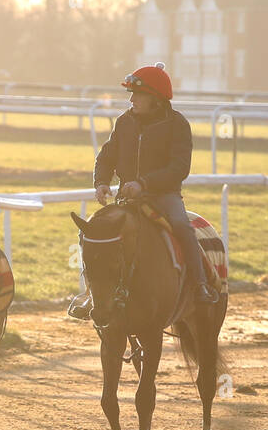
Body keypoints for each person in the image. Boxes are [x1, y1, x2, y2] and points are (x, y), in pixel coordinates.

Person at [68, 61, 217, 319]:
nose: (133, 100)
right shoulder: (125, 122)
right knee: (91, 232)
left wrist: (144, 183)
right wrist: (101, 182)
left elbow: (179, 167)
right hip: (126, 199)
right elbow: (106, 156)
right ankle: (92, 294)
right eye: (132, 95)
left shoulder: (177, 125)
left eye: (138, 95)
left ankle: (200, 284)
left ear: (155, 99)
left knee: (182, 226)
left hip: (165, 197)